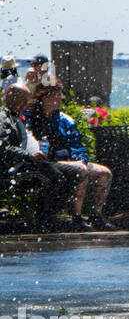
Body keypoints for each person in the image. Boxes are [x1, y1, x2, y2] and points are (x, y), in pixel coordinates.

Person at [26, 80, 115, 230]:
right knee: (81, 171)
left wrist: (80, 159)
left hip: (71, 162)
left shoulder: (65, 120)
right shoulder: (31, 119)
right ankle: (77, 217)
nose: (61, 98)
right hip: (48, 163)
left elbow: (77, 146)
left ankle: (96, 215)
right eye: (57, 95)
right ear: (45, 97)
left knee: (104, 173)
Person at [1, 83, 78, 231]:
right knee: (55, 177)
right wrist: (29, 156)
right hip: (13, 170)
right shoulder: (3, 118)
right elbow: (2, 147)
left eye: (27, 100)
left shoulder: (17, 117)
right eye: (22, 100)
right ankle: (42, 219)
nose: (25, 104)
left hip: (27, 163)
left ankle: (48, 214)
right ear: (10, 97)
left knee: (74, 173)